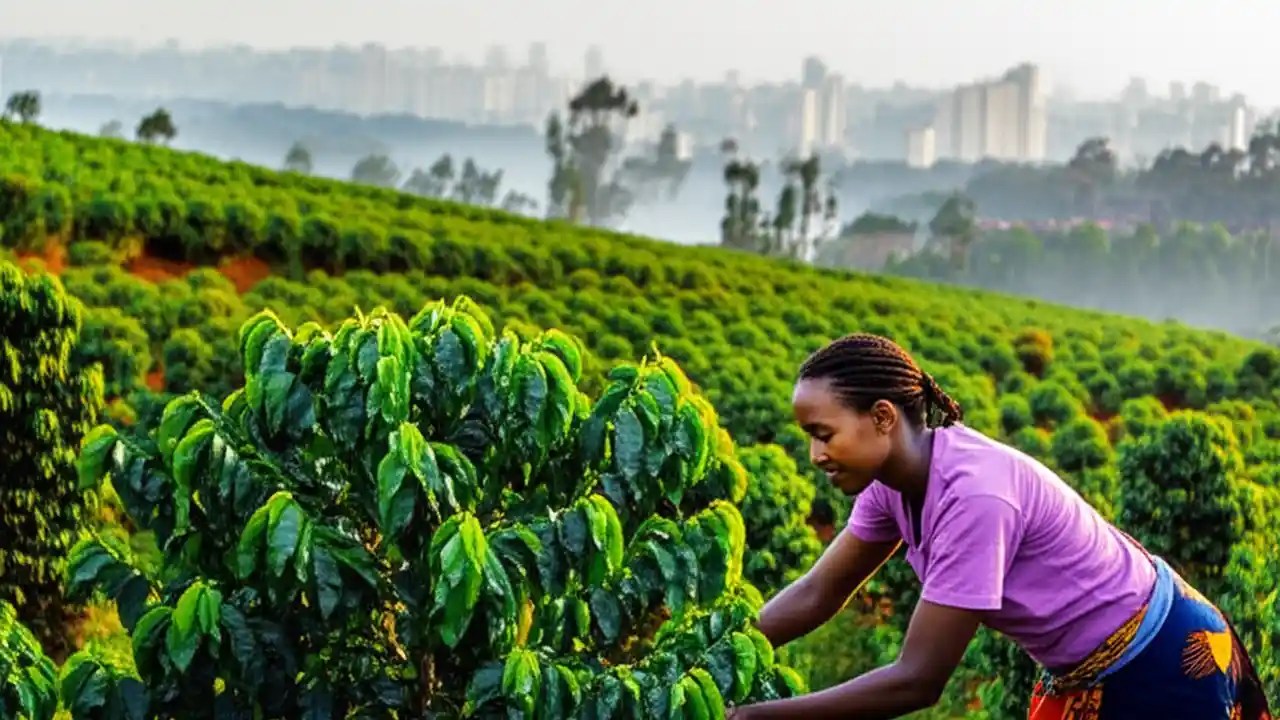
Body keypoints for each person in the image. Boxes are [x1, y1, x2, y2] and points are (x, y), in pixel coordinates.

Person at [727, 333, 1272, 719]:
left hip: (1157, 661)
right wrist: (719, 649)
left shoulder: (974, 497)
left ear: (883, 418)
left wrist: (759, 717)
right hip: (1083, 670)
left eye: (824, 433)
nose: (815, 454)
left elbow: (919, 679)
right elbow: (819, 591)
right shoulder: (887, 488)